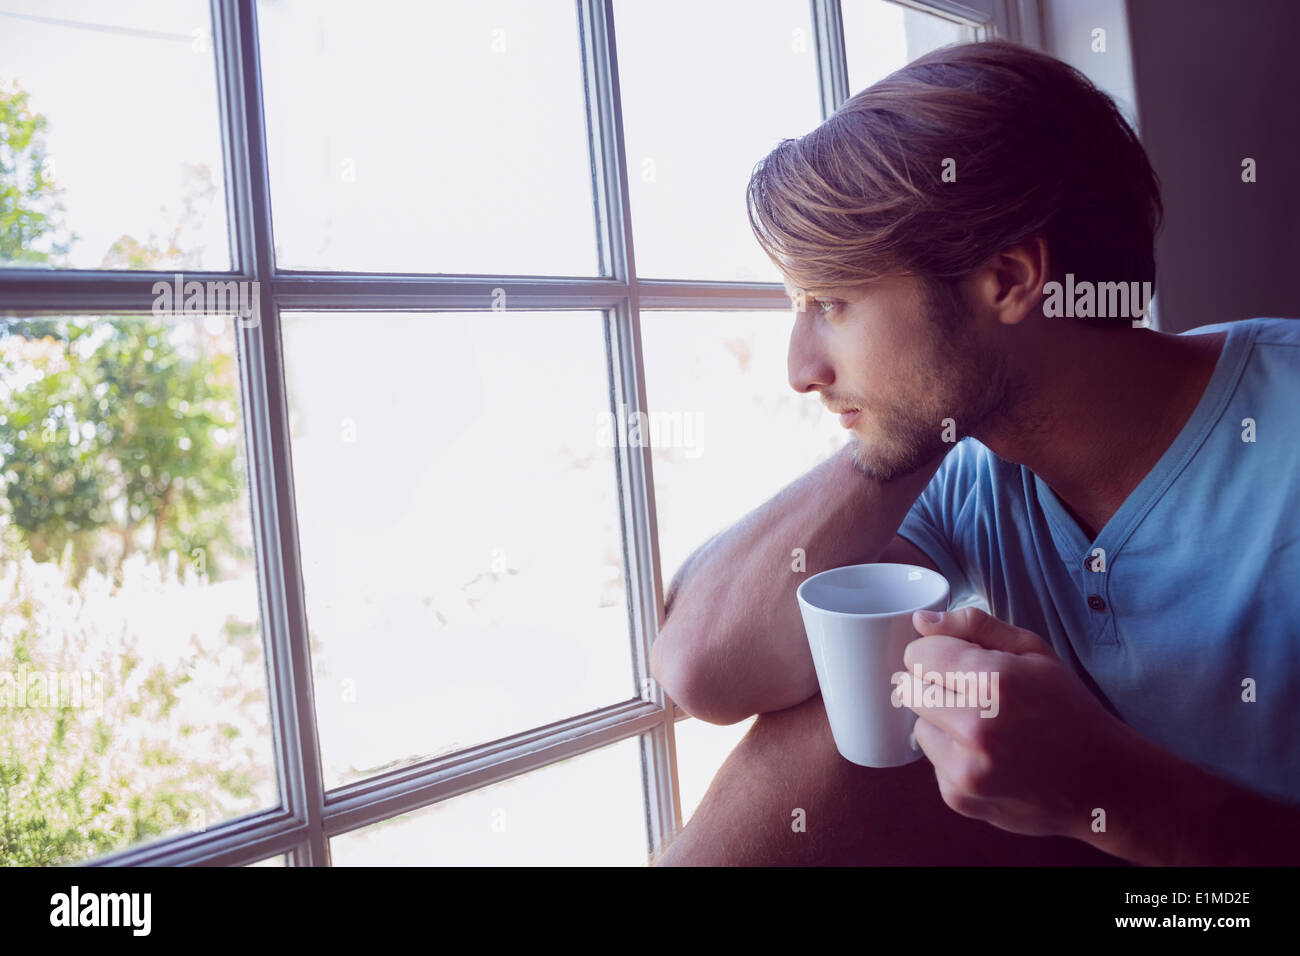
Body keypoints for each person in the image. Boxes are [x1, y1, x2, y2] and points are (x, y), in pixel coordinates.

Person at [649, 40, 1300, 866]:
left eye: (835, 303)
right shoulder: (970, 467)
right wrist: (916, 415)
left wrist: (1113, 789)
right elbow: (705, 666)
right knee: (839, 725)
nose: (800, 371)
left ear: (1009, 279)